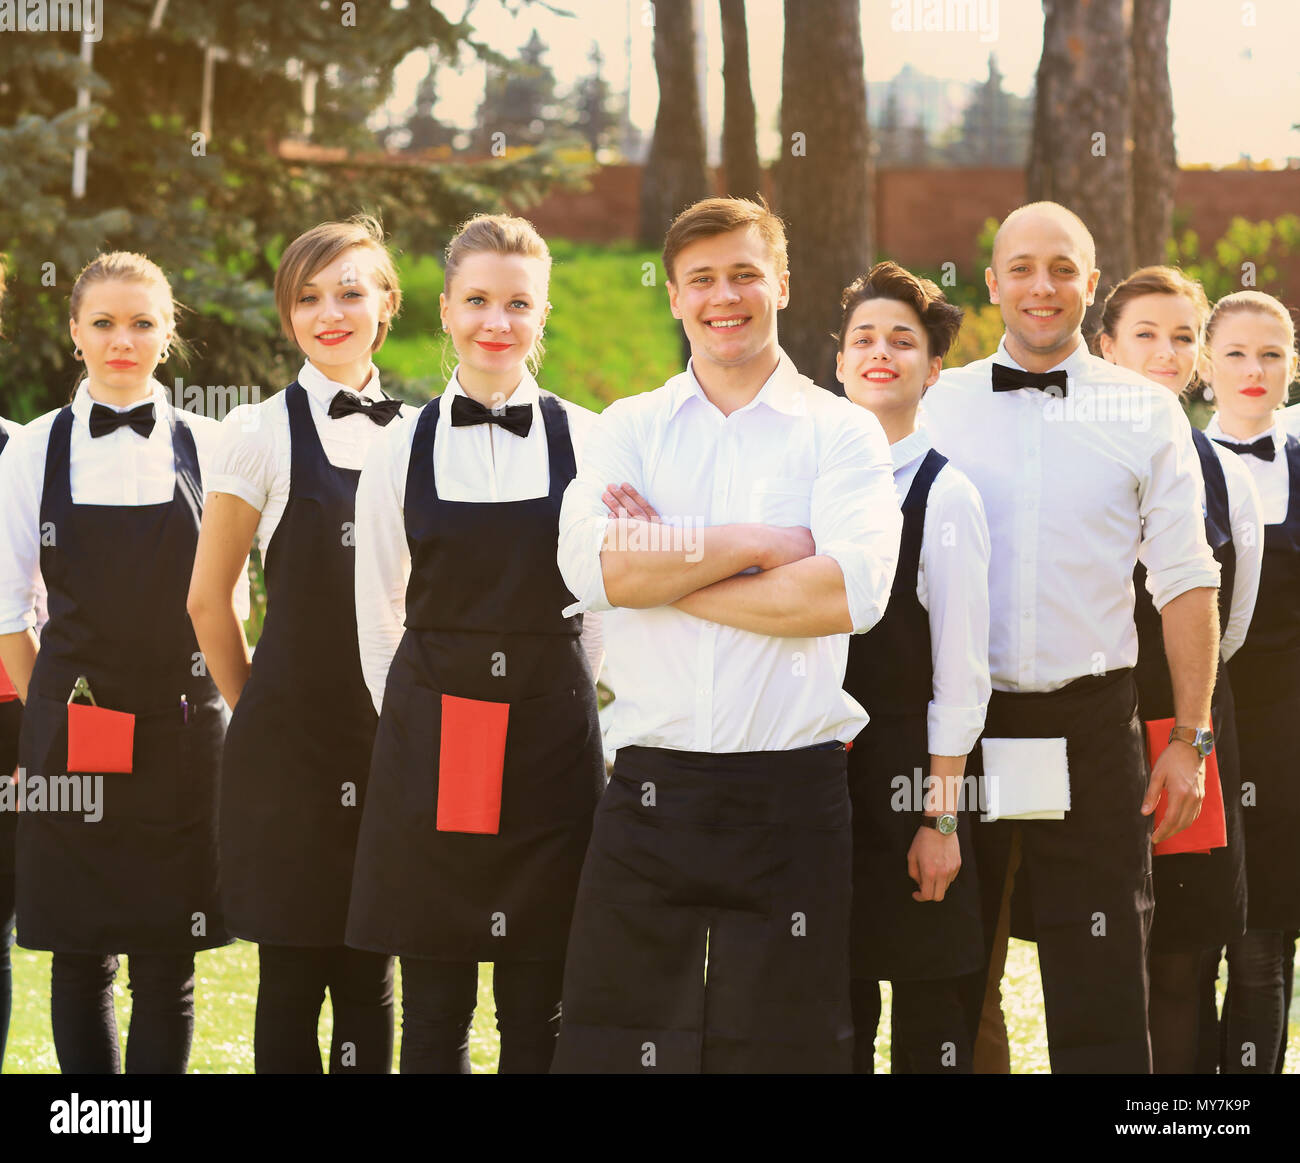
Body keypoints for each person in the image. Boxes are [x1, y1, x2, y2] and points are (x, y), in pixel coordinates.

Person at [551, 196, 902, 1074]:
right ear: (672, 296)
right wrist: (757, 547)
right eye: (701, 279)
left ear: (782, 283)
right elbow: (592, 571)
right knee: (615, 1046)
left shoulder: (844, 432)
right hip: (649, 791)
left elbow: (846, 593)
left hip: (795, 793)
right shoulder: (628, 426)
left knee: (788, 1050)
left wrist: (667, 567)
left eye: (745, 273)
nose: (725, 296)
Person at [921, 202, 1221, 1074]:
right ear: (992, 284)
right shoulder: (941, 407)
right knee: (951, 966)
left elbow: (1186, 580)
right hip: (964, 732)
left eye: (1062, 268)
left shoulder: (1148, 414)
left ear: (1091, 283)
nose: (1041, 286)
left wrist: (1191, 740)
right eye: (1021, 267)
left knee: (1101, 973)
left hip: (1090, 728)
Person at [346, 213, 606, 1074]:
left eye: (518, 303)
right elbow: (378, 608)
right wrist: (425, 725)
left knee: (543, 1005)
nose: (498, 321)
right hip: (434, 744)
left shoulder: (593, 440)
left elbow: (603, 609)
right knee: (434, 1005)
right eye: (478, 300)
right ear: (447, 310)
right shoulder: (398, 446)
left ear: (544, 315)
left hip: (550, 747)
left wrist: (554, 697)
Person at [0, 252, 244, 1073]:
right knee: (80, 956)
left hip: (183, 732)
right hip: (76, 734)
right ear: (74, 333)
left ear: (167, 333)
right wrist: (59, 718)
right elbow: (7, 618)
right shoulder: (30, 452)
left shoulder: (213, 445)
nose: (122, 340)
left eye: (142, 322)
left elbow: (234, 603)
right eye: (102, 322)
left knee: (168, 961)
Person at [187, 216, 406, 1073]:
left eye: (350, 292)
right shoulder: (257, 430)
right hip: (288, 751)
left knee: (373, 970)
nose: (330, 313)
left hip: (396, 739)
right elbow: (209, 599)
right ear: (288, 315)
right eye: (308, 297)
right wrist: (262, 710)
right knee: (290, 972)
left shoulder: (423, 430)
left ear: (386, 302)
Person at [1096, 266, 1263, 1073]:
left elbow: (1233, 612)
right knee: (1098, 951)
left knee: (1185, 955)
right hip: (1092, 722)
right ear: (1105, 347)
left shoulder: (1218, 467)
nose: (1166, 352)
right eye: (1145, 334)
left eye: (1183, 336)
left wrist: (1192, 732)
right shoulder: (1071, 455)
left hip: (1189, 719)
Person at [834, 261, 991, 1074]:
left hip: (911, 776)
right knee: (835, 1005)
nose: (880, 352)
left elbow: (960, 681)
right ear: (839, 360)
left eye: (903, 339)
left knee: (929, 1007)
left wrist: (940, 820)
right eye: (864, 338)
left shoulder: (946, 494)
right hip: (818, 781)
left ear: (934, 368)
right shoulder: (809, 483)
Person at [1202, 290, 1300, 1074]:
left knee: (1266, 944)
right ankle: (1181, 1111)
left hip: (1290, 739)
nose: (1253, 368)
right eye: (1235, 351)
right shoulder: (1172, 464)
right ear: (1204, 365)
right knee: (1187, 945)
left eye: (1271, 352)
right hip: (1197, 726)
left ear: (1292, 366)